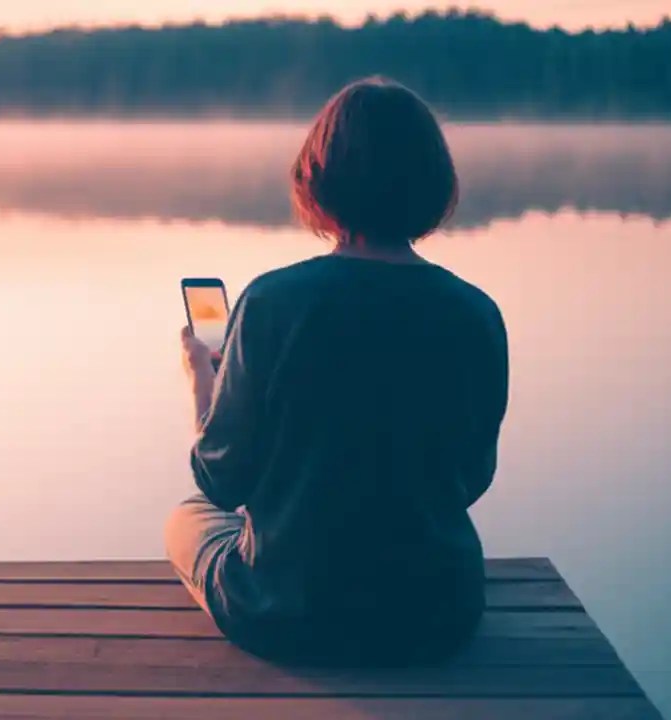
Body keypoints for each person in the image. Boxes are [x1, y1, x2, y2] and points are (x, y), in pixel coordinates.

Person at [167, 77, 509, 666]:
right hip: (436, 615)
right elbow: (469, 479)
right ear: (433, 183)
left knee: (189, 517)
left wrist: (205, 382)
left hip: (288, 613)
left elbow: (222, 479)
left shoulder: (273, 303)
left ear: (318, 179)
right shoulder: (474, 312)